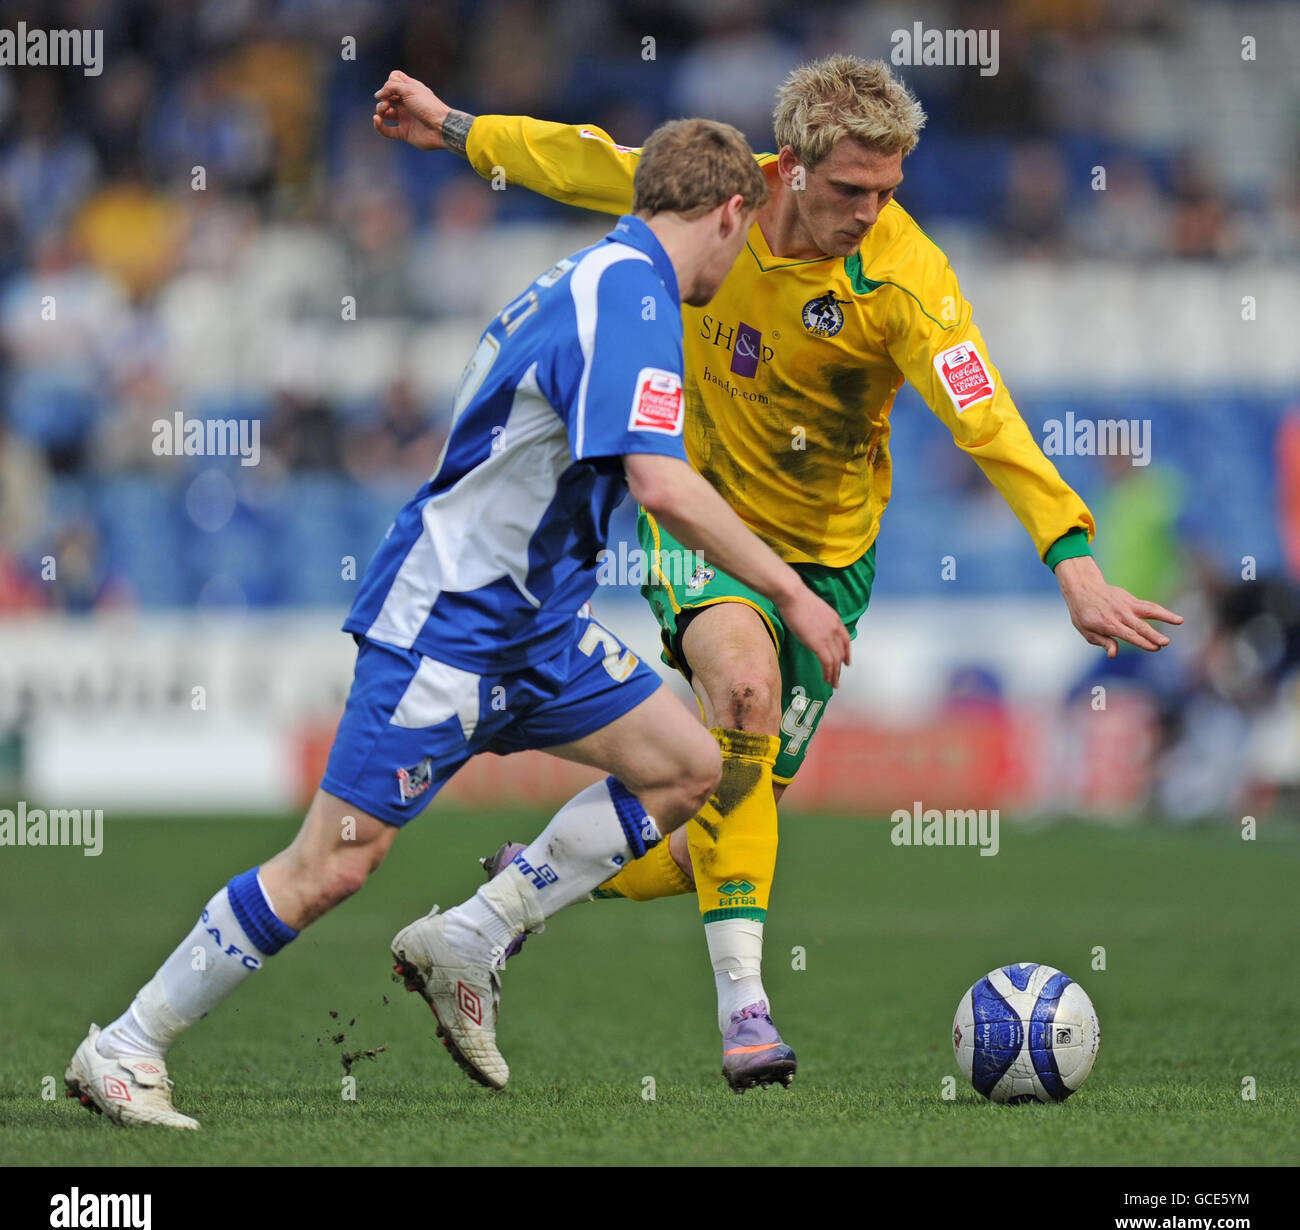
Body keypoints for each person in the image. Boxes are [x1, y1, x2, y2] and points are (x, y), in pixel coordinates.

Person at [370, 55, 1183, 1091]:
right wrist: (451, 127)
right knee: (742, 694)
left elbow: (983, 415)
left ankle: (496, 910)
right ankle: (745, 1017)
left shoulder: (905, 279)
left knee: (712, 811)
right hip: (696, 510)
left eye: (887, 192)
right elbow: (581, 163)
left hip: (829, 555)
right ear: (789, 166)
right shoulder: (719, 203)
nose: (868, 211)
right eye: (850, 189)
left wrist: (1070, 557)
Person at [63, 115, 850, 1125]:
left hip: (537, 628)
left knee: (687, 766)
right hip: (451, 623)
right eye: (746, 236)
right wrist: (789, 590)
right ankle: (125, 1048)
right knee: (335, 861)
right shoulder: (633, 294)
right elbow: (659, 482)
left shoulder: (599, 278)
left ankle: (473, 938)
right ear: (732, 212)